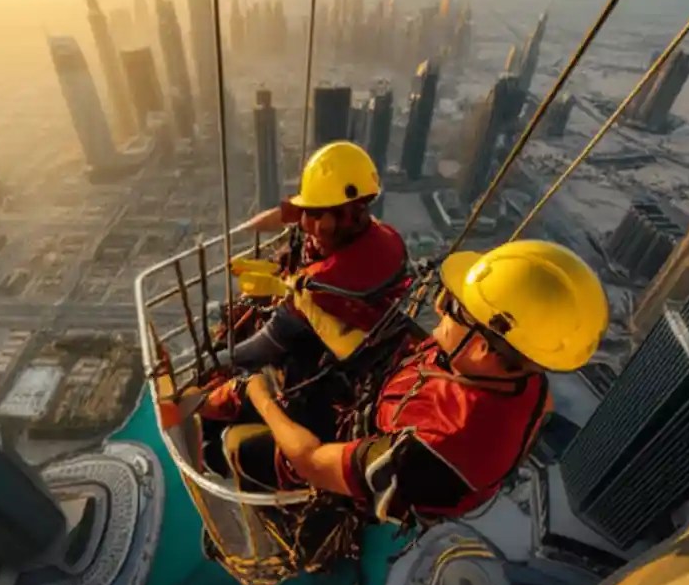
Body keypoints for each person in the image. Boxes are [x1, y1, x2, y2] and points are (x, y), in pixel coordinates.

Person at [226, 240, 609, 522]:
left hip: (378, 466)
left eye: (451, 305)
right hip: (387, 408)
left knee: (236, 445)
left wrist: (259, 395)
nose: (439, 307)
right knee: (310, 360)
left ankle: (284, 517)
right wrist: (304, 299)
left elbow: (311, 462)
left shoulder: (438, 449)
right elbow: (392, 349)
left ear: (482, 347)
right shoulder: (514, 378)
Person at [186, 141, 410, 433]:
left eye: (314, 215)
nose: (306, 223)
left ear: (340, 216)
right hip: (373, 329)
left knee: (261, 376)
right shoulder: (379, 234)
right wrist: (242, 231)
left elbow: (270, 340)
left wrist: (216, 360)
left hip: (333, 354)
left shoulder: (324, 281)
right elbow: (287, 213)